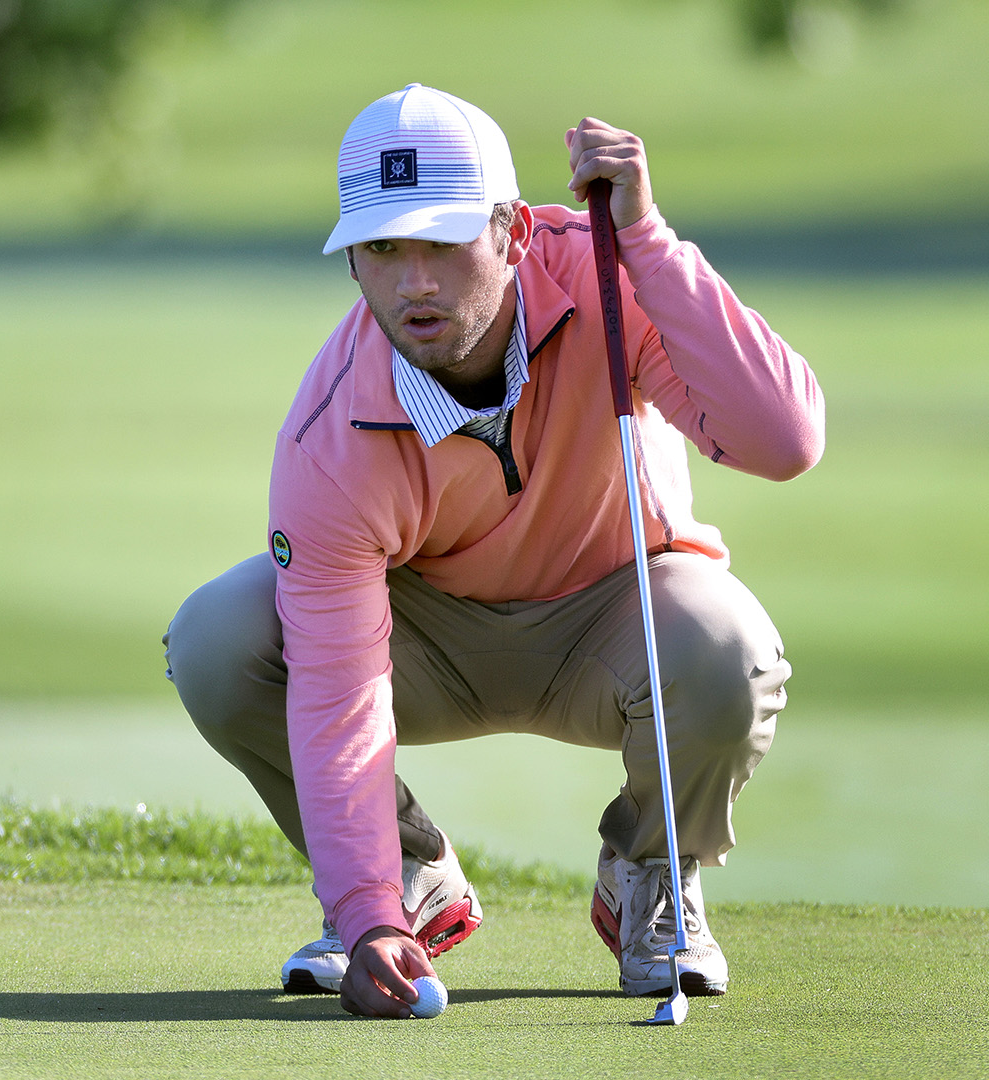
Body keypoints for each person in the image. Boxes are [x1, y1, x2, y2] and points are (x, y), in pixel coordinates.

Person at [165, 84, 824, 1019]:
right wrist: (364, 914)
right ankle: (407, 884)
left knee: (732, 648)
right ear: (353, 260)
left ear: (514, 232)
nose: (415, 283)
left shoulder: (608, 281)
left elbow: (784, 438)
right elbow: (339, 692)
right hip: (427, 637)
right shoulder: (327, 440)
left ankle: (649, 874)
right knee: (217, 640)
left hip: (619, 620)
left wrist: (648, 245)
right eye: (384, 249)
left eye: (443, 242)